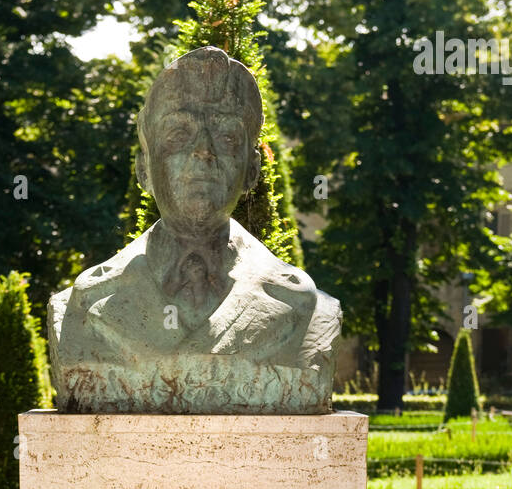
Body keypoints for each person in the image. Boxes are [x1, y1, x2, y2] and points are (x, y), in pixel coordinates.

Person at [48, 46, 341, 413]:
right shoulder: (79, 306)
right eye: (179, 133)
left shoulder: (307, 308)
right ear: (144, 169)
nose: (204, 151)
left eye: (228, 137)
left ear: (252, 170)